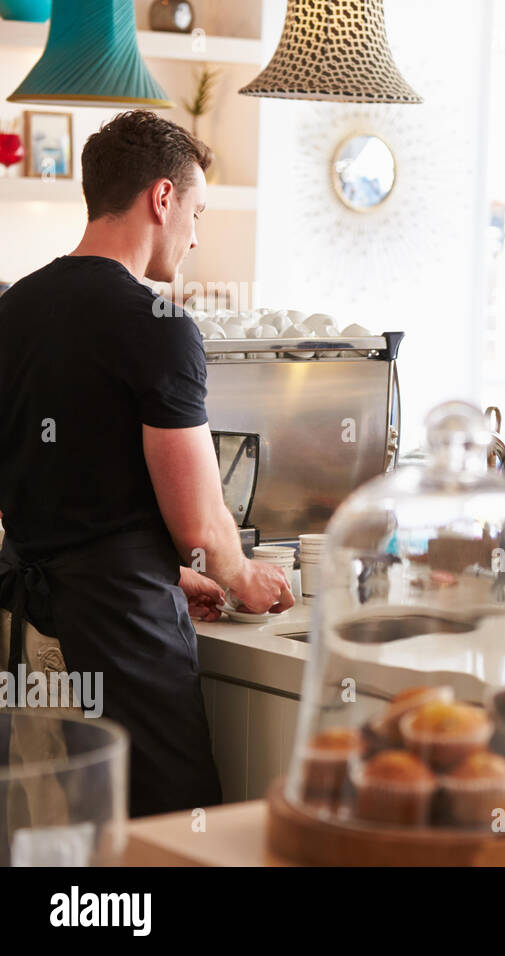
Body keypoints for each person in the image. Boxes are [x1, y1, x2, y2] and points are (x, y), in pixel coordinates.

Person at [0, 111, 293, 817]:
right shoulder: (157, 324)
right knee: (171, 832)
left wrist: (165, 570)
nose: (195, 234)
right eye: (195, 211)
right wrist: (240, 575)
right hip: (117, 632)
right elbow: (198, 517)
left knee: (48, 828)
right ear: (162, 199)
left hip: (23, 624)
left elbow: (60, 487)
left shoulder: (13, 308)